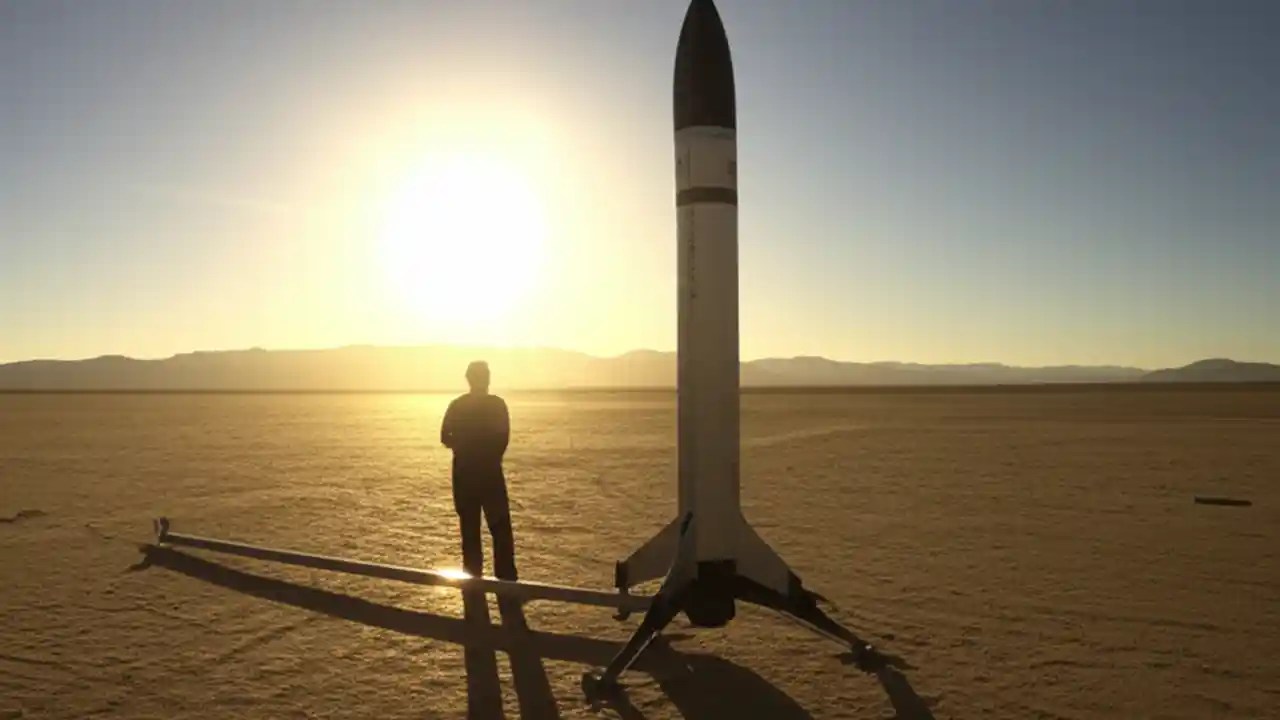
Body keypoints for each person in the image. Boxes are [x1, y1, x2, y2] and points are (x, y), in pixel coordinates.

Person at [440, 361, 517, 580]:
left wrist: (464, 448)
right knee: (500, 532)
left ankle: (474, 583)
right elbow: (503, 439)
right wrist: (485, 453)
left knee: (470, 534)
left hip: (465, 476)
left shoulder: (457, 405)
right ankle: (506, 583)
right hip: (490, 476)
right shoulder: (497, 405)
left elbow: (445, 437)